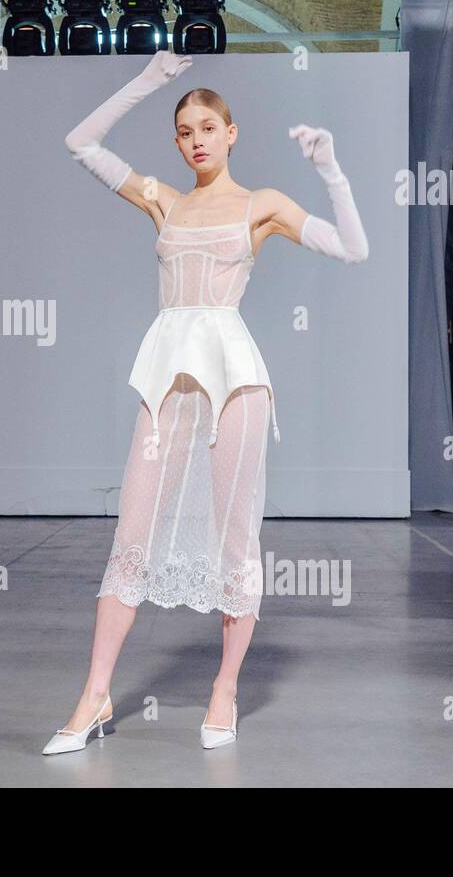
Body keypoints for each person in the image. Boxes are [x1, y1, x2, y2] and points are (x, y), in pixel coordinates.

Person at [45, 52, 368, 754]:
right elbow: (80, 142)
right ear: (178, 141)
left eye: (208, 126)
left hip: (235, 383)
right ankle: (93, 696)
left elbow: (354, 247)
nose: (196, 138)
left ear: (231, 132)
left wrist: (331, 168)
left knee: (233, 541)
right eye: (185, 128)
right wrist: (147, 82)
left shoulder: (263, 206)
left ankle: (224, 689)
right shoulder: (163, 196)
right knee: (129, 538)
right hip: (169, 379)